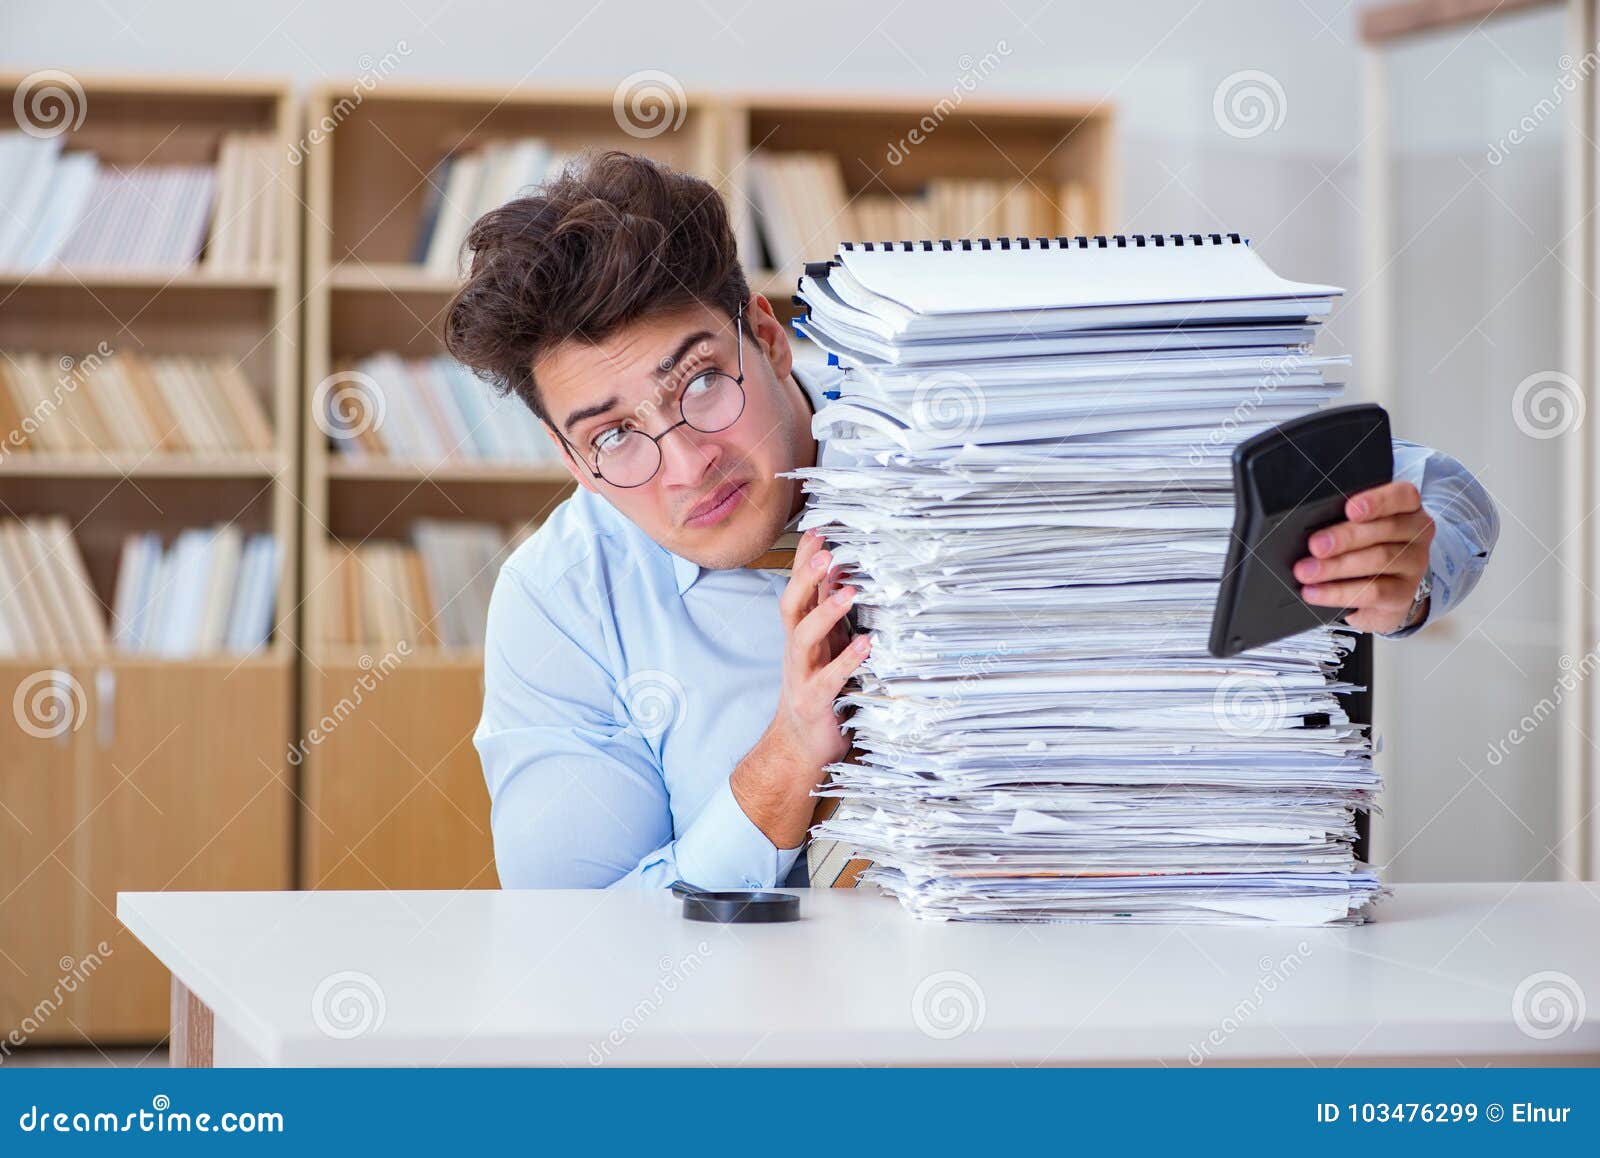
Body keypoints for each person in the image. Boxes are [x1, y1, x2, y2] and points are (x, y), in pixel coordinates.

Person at [444, 150, 1498, 890]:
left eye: (702, 384)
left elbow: (1435, 487)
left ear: (764, 336)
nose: (686, 465)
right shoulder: (562, 599)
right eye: (615, 437)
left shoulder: (946, 400)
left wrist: (1402, 563)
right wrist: (787, 757)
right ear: (572, 461)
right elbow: (581, 939)